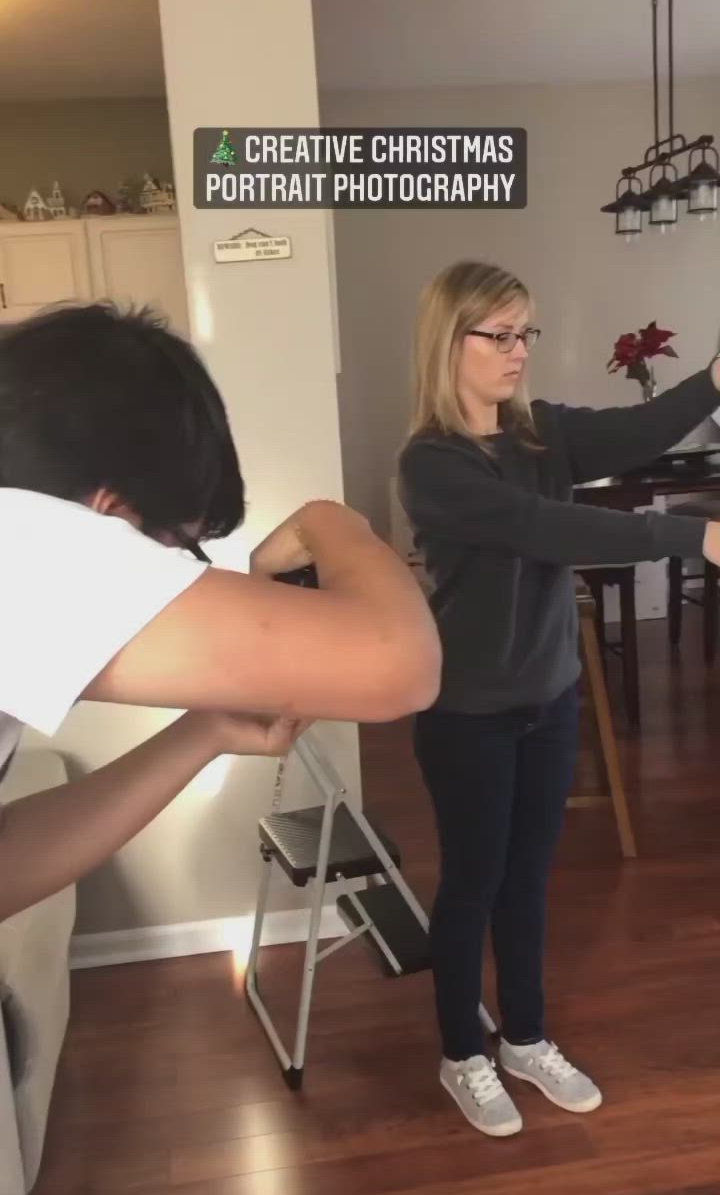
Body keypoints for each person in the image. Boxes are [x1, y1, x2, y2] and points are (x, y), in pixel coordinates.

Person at [397, 259, 720, 1138]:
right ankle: (462, 1049)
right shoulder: (433, 464)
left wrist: (714, 380)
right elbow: (549, 530)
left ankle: (525, 1038)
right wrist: (693, 533)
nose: (517, 352)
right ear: (448, 340)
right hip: (466, 711)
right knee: (473, 881)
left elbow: (642, 429)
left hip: (549, 696)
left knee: (530, 880)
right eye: (497, 335)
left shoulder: (541, 434)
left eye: (525, 333)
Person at [0, 301, 441, 923]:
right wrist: (330, 520)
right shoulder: (24, 537)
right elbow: (402, 665)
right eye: (180, 546)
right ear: (109, 514)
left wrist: (202, 732)